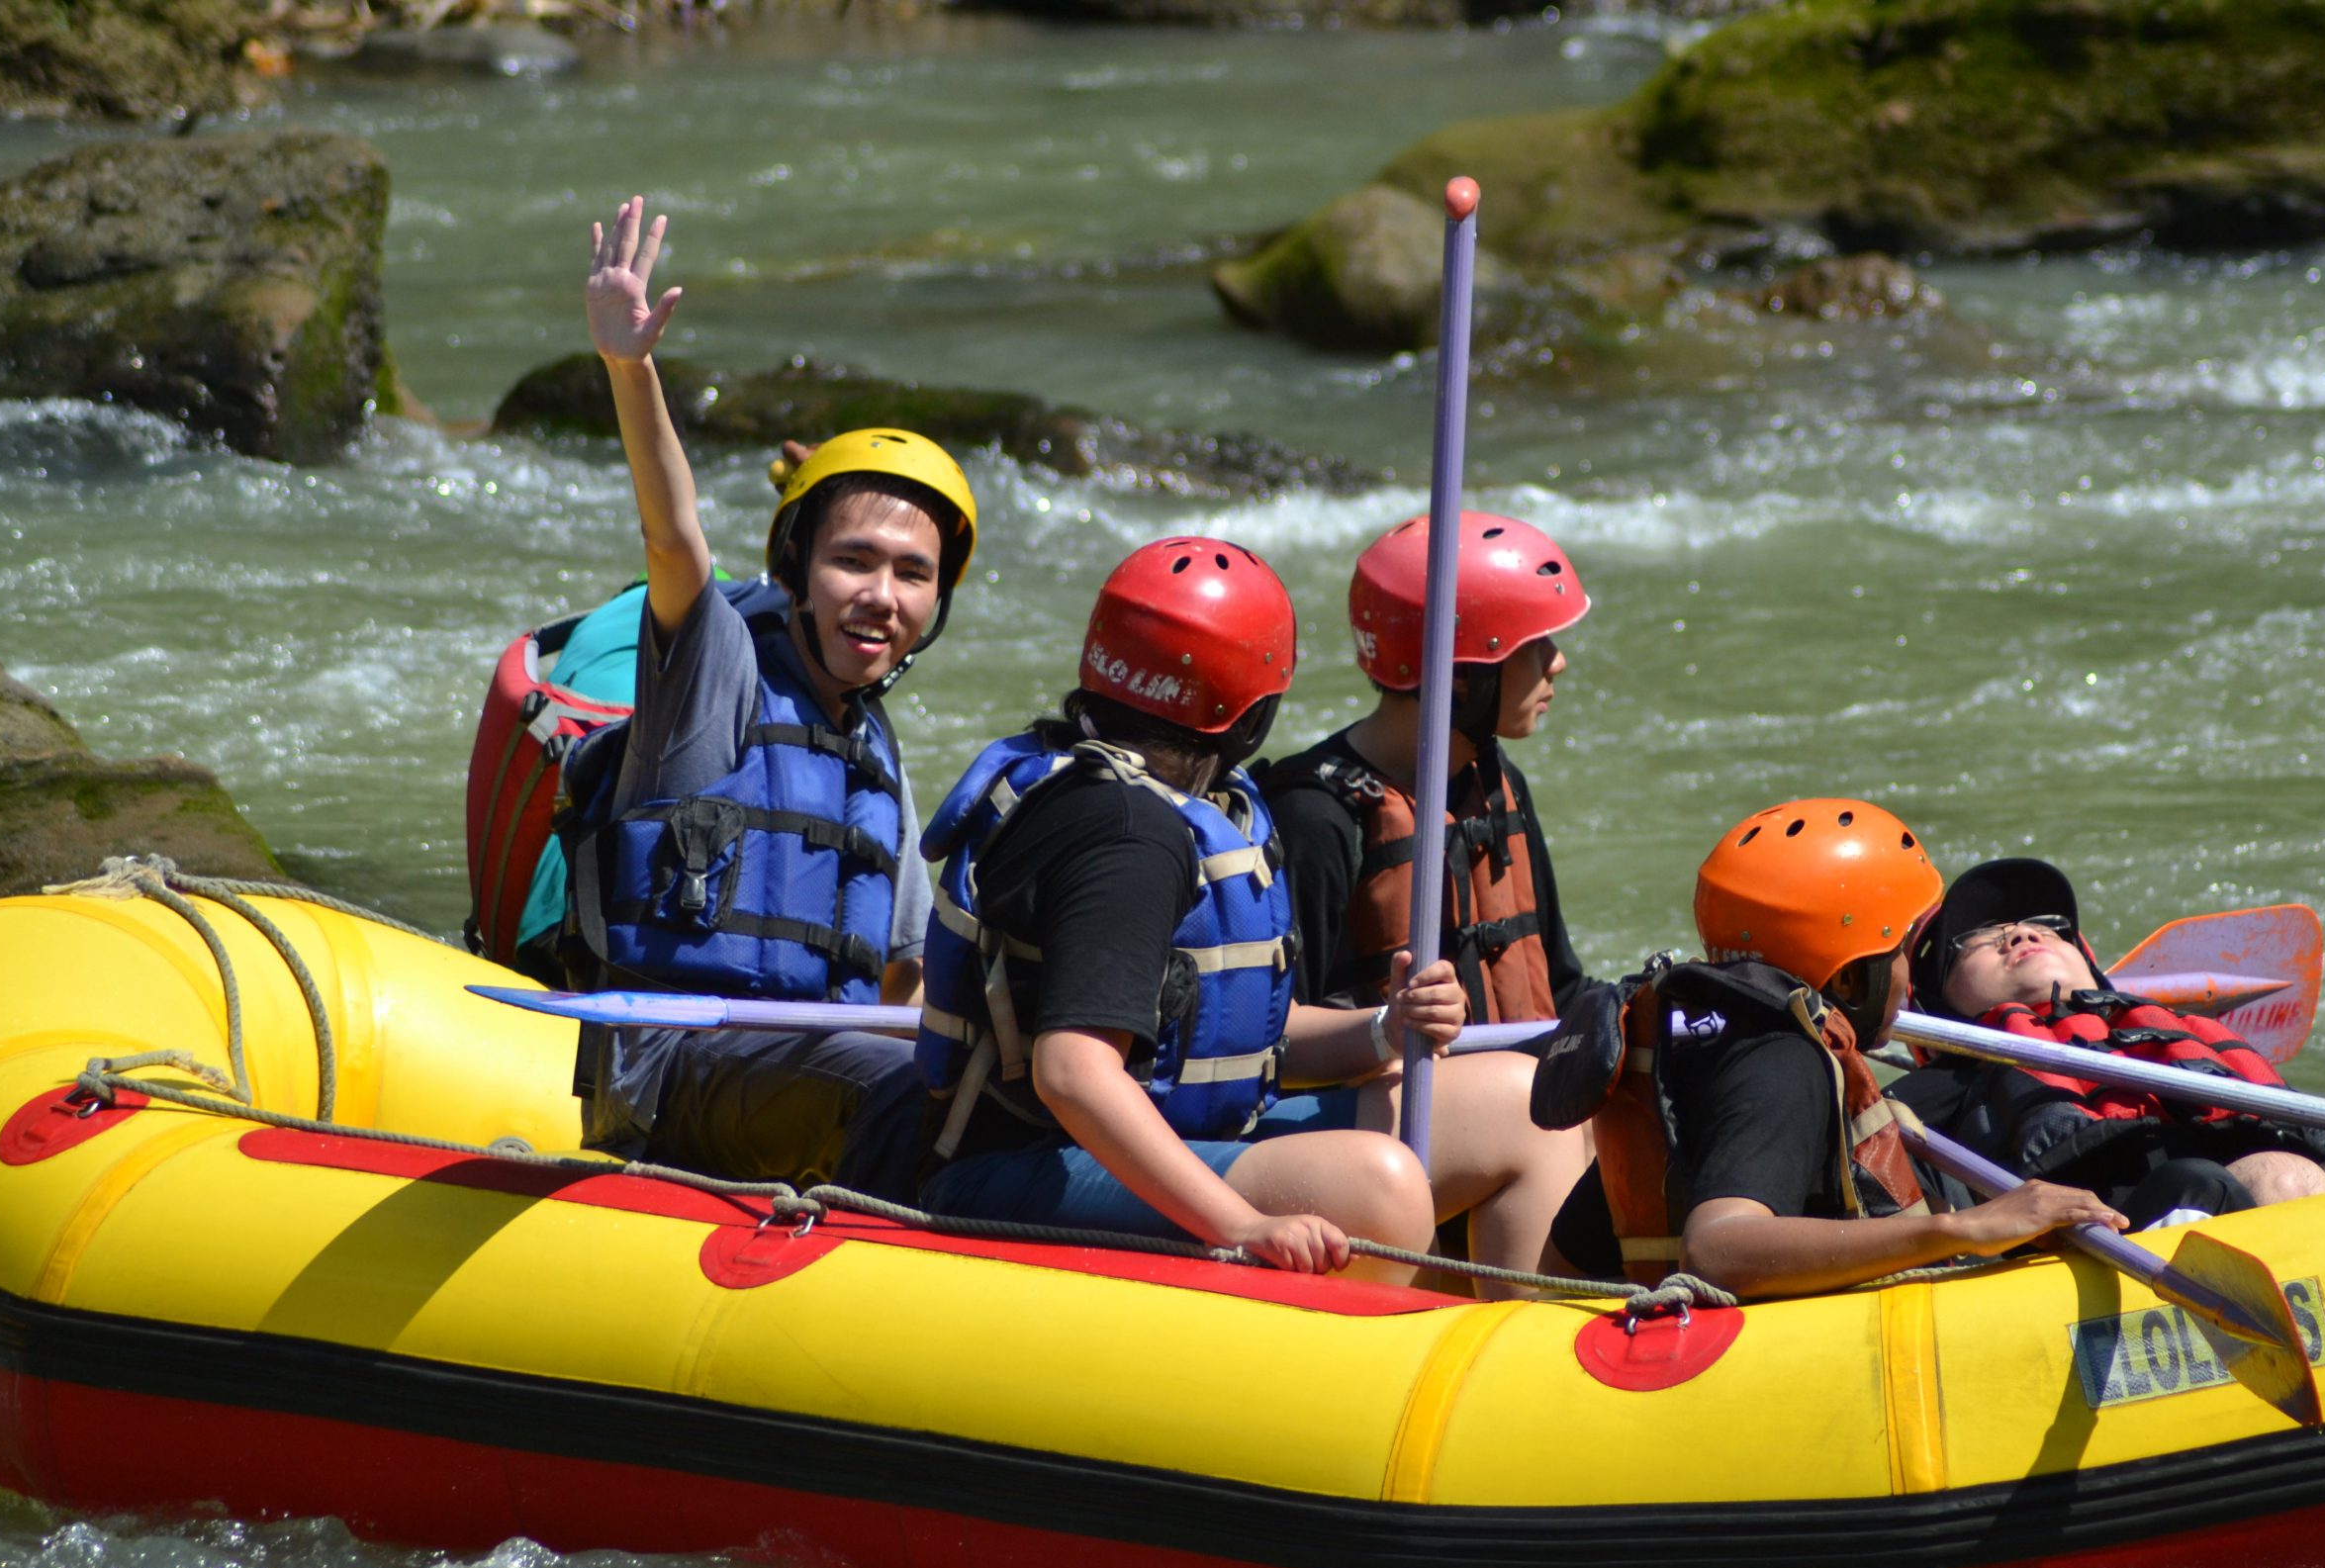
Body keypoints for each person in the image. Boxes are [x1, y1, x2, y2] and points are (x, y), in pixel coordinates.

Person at [913, 537, 1590, 1287]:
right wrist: (1239, 1222)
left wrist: (1383, 1028)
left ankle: (1516, 1358)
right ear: (1253, 708)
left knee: (1528, 1106)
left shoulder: (1186, 806)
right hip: (1019, 1171)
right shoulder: (1126, 835)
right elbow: (1073, 1073)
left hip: (1178, 1138)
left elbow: (1241, 1037)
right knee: (1382, 1187)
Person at [555, 196, 976, 1196]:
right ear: (795, 567)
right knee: (905, 1081)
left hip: (811, 1073)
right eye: (853, 562)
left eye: (912, 575)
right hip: (670, 1071)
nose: (882, 596)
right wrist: (630, 365)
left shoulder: (871, 743)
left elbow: (903, 970)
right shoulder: (716, 673)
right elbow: (674, 539)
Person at [1539, 799, 2125, 1299]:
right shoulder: (1781, 1059)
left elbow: (1562, 1264)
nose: (1906, 973)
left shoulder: (1699, 1041)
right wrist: (1967, 1229)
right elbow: (1716, 1248)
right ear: (1847, 980)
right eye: (1897, 950)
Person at [1898, 857, 2325, 1218]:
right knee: (2283, 1180)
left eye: (2048, 925)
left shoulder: (2165, 1027)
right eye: (1978, 942)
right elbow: (1857, 1135)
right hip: (2117, 1211)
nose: (2022, 933)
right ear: (1937, 1008)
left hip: (2245, 1166)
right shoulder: (1956, 1073)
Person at [1262, 512, 1596, 1023]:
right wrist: (1383, 1027)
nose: (1558, 663)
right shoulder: (1315, 818)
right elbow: (1266, 1038)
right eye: (1532, 647)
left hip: (1507, 1086)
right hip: (1380, 1097)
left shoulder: (1498, 782)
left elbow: (1564, 990)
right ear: (1462, 677)